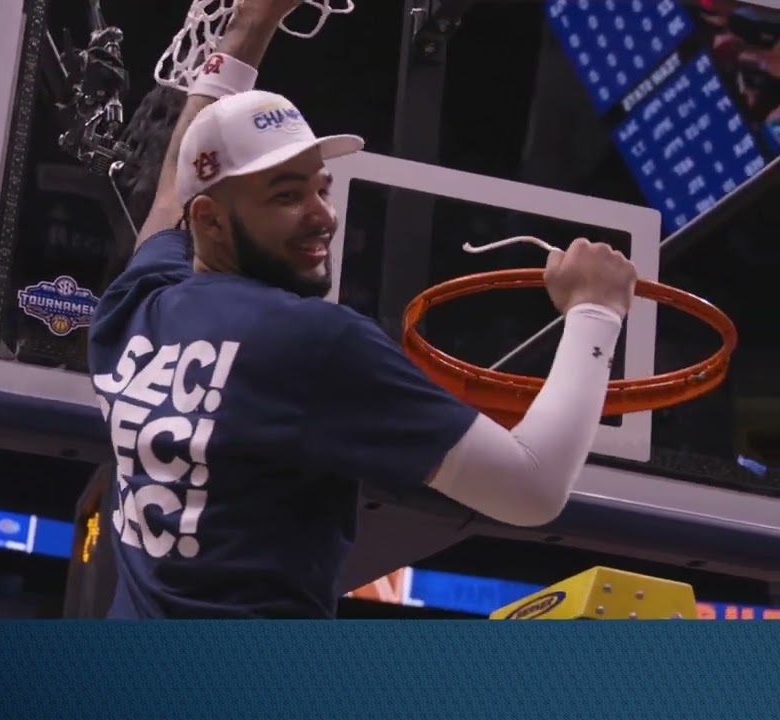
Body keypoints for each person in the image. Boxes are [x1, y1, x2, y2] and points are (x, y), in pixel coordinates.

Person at [87, 0, 638, 619]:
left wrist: (252, 24)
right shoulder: (309, 341)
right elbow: (532, 490)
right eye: (287, 195)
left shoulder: (133, 311)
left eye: (320, 186)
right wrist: (595, 312)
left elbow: (173, 192)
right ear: (211, 222)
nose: (323, 213)